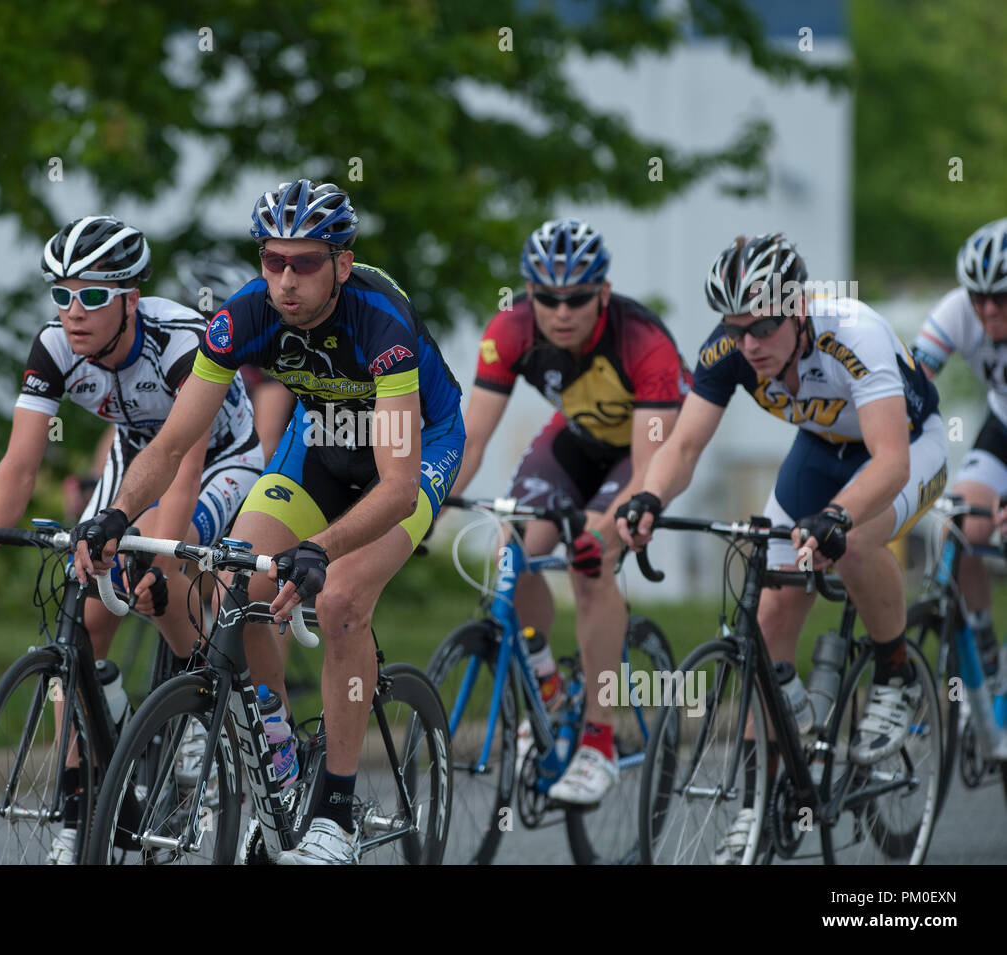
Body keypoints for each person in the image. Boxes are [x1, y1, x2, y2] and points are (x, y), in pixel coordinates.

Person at [71, 179, 465, 864]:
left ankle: (335, 815)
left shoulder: (383, 323)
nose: (285, 279)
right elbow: (169, 442)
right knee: (230, 578)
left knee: (340, 598)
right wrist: (115, 514)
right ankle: (278, 753)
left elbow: (399, 487)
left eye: (305, 262)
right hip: (319, 448)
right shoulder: (245, 315)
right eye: (272, 259)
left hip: (413, 453)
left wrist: (320, 546)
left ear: (342, 262)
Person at [0, 216, 263, 862]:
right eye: (62, 294)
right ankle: (82, 809)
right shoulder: (54, 349)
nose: (74, 312)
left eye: (94, 295)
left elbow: (184, 462)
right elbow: (20, 464)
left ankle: (205, 705)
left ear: (131, 298)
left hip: (218, 461)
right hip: (135, 465)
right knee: (86, 608)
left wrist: (160, 562)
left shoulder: (180, 343)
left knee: (160, 582)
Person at [616, 233, 947, 862]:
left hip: (905, 447)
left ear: (798, 309)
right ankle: (756, 798)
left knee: (847, 545)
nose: (749, 343)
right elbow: (683, 447)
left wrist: (836, 516)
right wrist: (649, 497)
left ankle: (896, 673)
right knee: (767, 617)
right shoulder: (730, 349)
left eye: (763, 326)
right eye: (736, 326)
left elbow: (891, 461)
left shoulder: (854, 332)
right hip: (820, 450)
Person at [449, 217, 690, 804]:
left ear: (603, 294)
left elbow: (650, 465)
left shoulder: (644, 342)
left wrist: (608, 528)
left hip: (642, 451)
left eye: (577, 297)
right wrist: (418, 507)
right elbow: (472, 440)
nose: (561, 311)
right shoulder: (509, 331)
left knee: (590, 560)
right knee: (517, 549)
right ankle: (549, 689)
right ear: (529, 293)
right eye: (547, 297)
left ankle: (600, 741)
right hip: (574, 440)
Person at [913, 217, 1007, 732]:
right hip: (1003, 426)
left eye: (1002, 298)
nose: (988, 309)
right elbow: (908, 382)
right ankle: (984, 646)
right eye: (979, 297)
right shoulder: (959, 310)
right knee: (961, 523)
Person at [173, 248, 297, 462]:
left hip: (244, 467)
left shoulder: (267, 355)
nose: (223, 334)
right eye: (211, 321)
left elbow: (264, 442)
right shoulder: (173, 354)